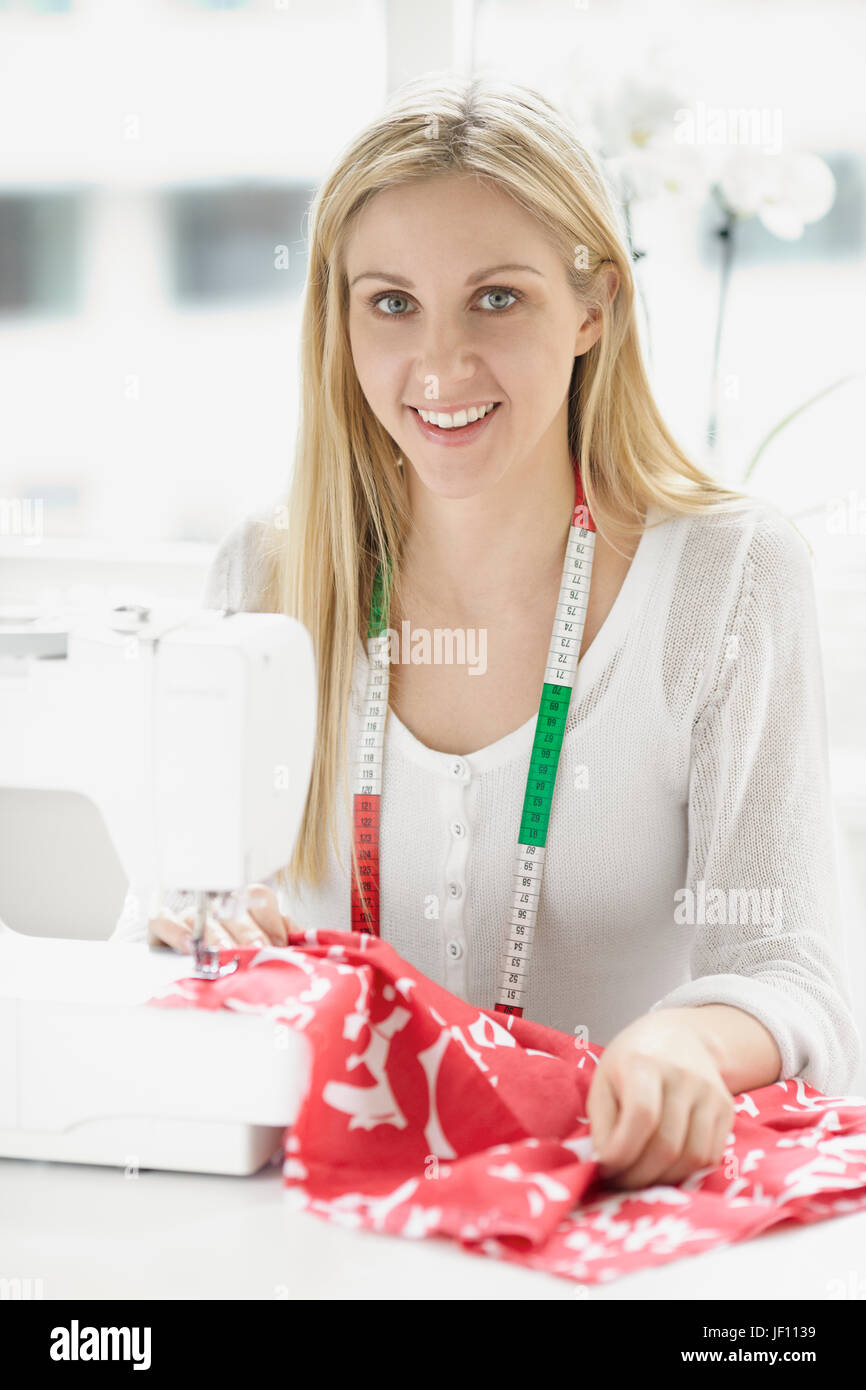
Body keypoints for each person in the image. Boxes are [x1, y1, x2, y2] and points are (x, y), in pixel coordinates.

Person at [111, 73, 861, 1189]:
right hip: (335, 1215)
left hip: (603, 1212)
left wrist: (683, 1041)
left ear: (593, 306)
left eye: (496, 298)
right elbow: (166, 919)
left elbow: (790, 967)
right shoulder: (265, 573)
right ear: (338, 315)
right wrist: (189, 939)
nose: (441, 365)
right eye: (391, 302)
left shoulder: (727, 577)